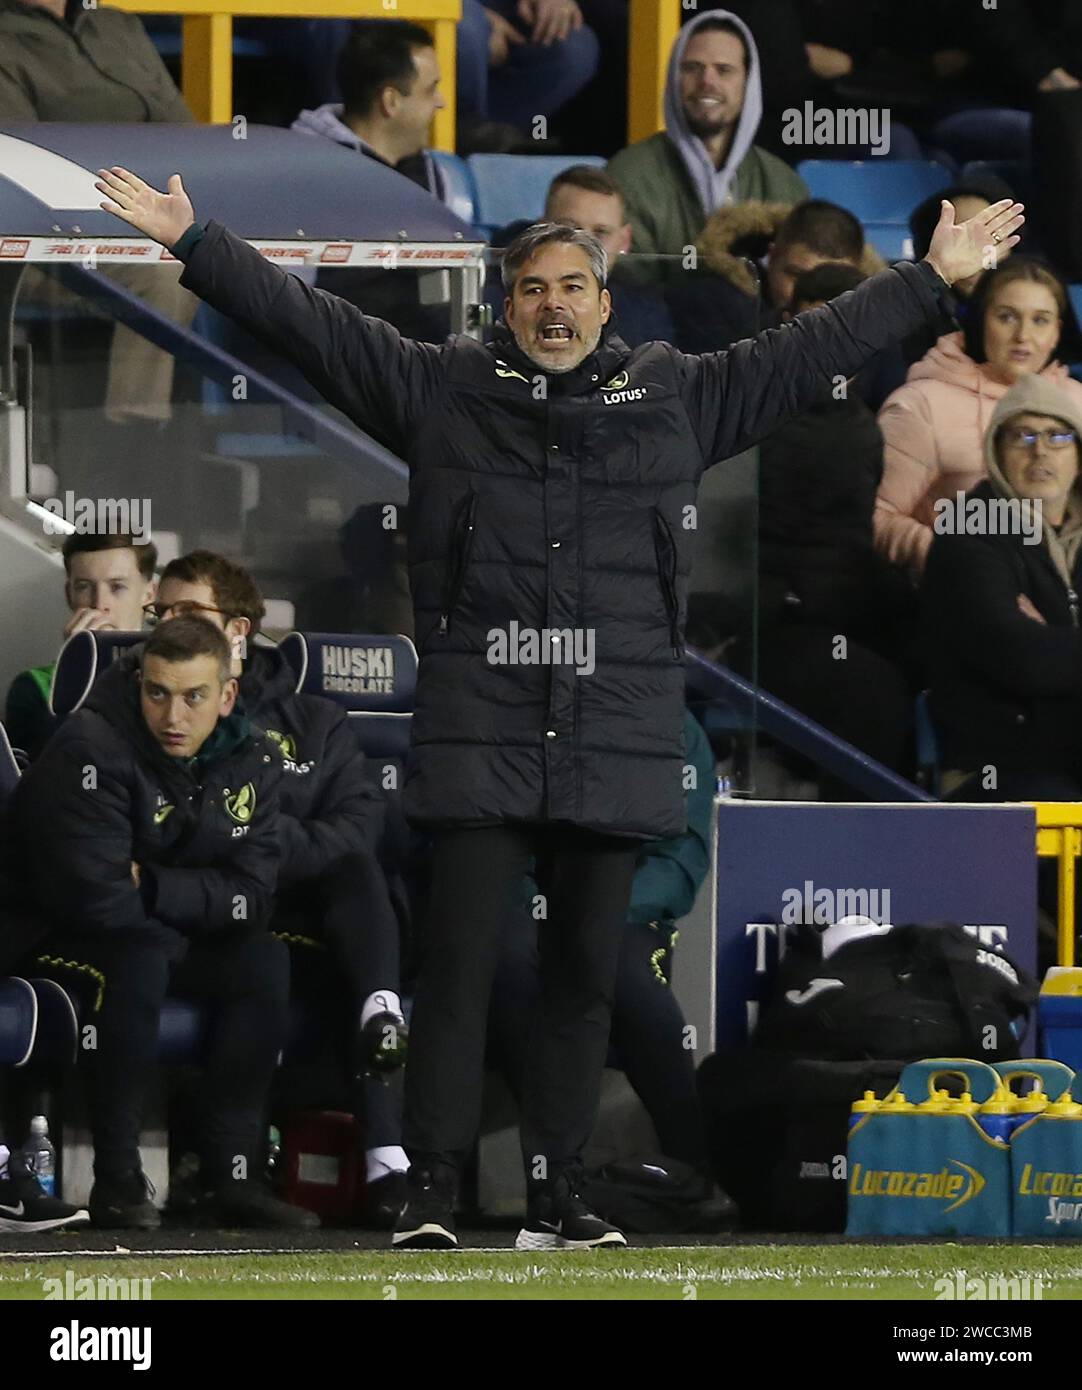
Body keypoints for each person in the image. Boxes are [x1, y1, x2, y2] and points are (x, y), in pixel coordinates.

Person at [93, 155, 1023, 1251]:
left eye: (570, 287)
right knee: (458, 971)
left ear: (603, 301)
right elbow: (316, 327)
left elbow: (809, 346)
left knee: (583, 979)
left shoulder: (675, 392)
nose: (551, 306)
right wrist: (197, 245)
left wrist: (930, 278)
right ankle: (430, 1185)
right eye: (531, 288)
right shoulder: (441, 387)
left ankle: (561, 1191)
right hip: (480, 728)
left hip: (614, 736)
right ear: (505, 303)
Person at [11, 616, 316, 1230]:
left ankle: (233, 1174)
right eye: (158, 693)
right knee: (139, 955)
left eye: (193, 697)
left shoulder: (253, 755)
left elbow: (253, 894)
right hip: (53, 935)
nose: (173, 716)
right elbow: (95, 897)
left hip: (161, 928)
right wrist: (190, 901)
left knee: (263, 958)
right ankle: (117, 1179)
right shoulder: (90, 746)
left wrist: (155, 885)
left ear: (226, 696)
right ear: (140, 685)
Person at [151, 550, 411, 1227]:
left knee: (358, 876)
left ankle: (388, 1157)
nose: (167, 625)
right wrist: (281, 838)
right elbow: (206, 830)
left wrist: (272, 839)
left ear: (237, 631)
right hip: (231, 914)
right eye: (161, 613)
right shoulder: (171, 706)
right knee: (282, 945)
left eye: (187, 612)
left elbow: (357, 826)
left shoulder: (315, 719)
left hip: (321, 912)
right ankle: (371, 1154)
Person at [488, 708, 731, 1208]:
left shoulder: (677, 732)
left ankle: (696, 1165)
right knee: (511, 962)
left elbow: (678, 857)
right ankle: (551, 1174)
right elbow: (510, 845)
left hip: (631, 917)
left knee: (623, 972)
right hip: (534, 908)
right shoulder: (536, 717)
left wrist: (598, 911)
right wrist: (547, 907)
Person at [714, 263, 916, 778]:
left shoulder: (863, 428)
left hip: (848, 612)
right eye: (821, 330)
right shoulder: (748, 416)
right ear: (790, 324)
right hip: (768, 623)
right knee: (871, 694)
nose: (836, 351)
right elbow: (722, 553)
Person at [0, 0, 199, 425]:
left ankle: (253, 422)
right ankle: (131, 440)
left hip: (145, 219)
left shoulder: (119, 27)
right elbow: (22, 160)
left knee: (231, 254)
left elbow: (182, 133)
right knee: (164, 273)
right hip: (42, 245)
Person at [923, 374, 1082, 804]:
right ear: (996, 452)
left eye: (1057, 436)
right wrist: (1041, 646)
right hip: (997, 769)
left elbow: (1043, 653)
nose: (1040, 450)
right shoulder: (968, 528)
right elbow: (1017, 653)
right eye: (1022, 435)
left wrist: (1054, 640)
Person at [874, 257, 1082, 583]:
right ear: (981, 321)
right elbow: (876, 517)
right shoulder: (921, 404)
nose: (1023, 335)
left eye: (1040, 320)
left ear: (1058, 332)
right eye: (1006, 317)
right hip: (962, 602)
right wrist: (958, 562)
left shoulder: (1077, 402)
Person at [607, 10, 808, 286]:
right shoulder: (627, 176)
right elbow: (630, 293)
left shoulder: (784, 184)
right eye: (692, 68)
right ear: (673, 77)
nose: (707, 82)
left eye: (724, 70)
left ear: (747, 83)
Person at [3, 531, 157, 760]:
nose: (99, 603)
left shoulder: (173, 681)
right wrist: (76, 669)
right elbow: (45, 775)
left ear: (148, 593)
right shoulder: (34, 687)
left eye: (117, 587)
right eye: (84, 587)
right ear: (69, 594)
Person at [488, 166, 676, 348]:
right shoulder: (494, 297)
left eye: (601, 233)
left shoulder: (646, 310)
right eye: (569, 229)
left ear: (624, 241)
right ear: (541, 230)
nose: (584, 245)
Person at [291, 21, 447, 202]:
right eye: (430, 90)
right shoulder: (308, 174)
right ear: (391, 102)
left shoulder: (431, 175)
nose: (441, 102)